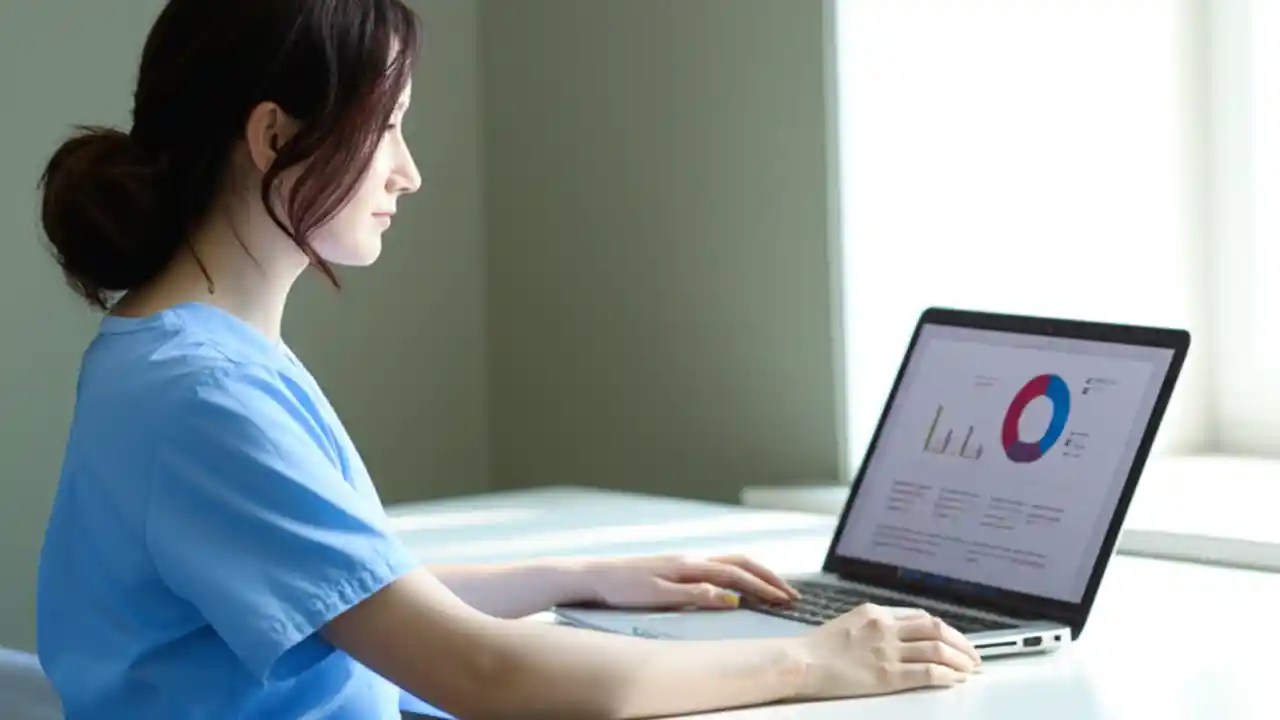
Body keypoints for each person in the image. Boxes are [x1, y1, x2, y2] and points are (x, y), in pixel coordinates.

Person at [33, 1, 981, 717]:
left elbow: (356, 593)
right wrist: (815, 663)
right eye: (389, 124)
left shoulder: (182, 357)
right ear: (274, 136)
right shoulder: (206, 394)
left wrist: (580, 577)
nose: (408, 170)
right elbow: (483, 672)